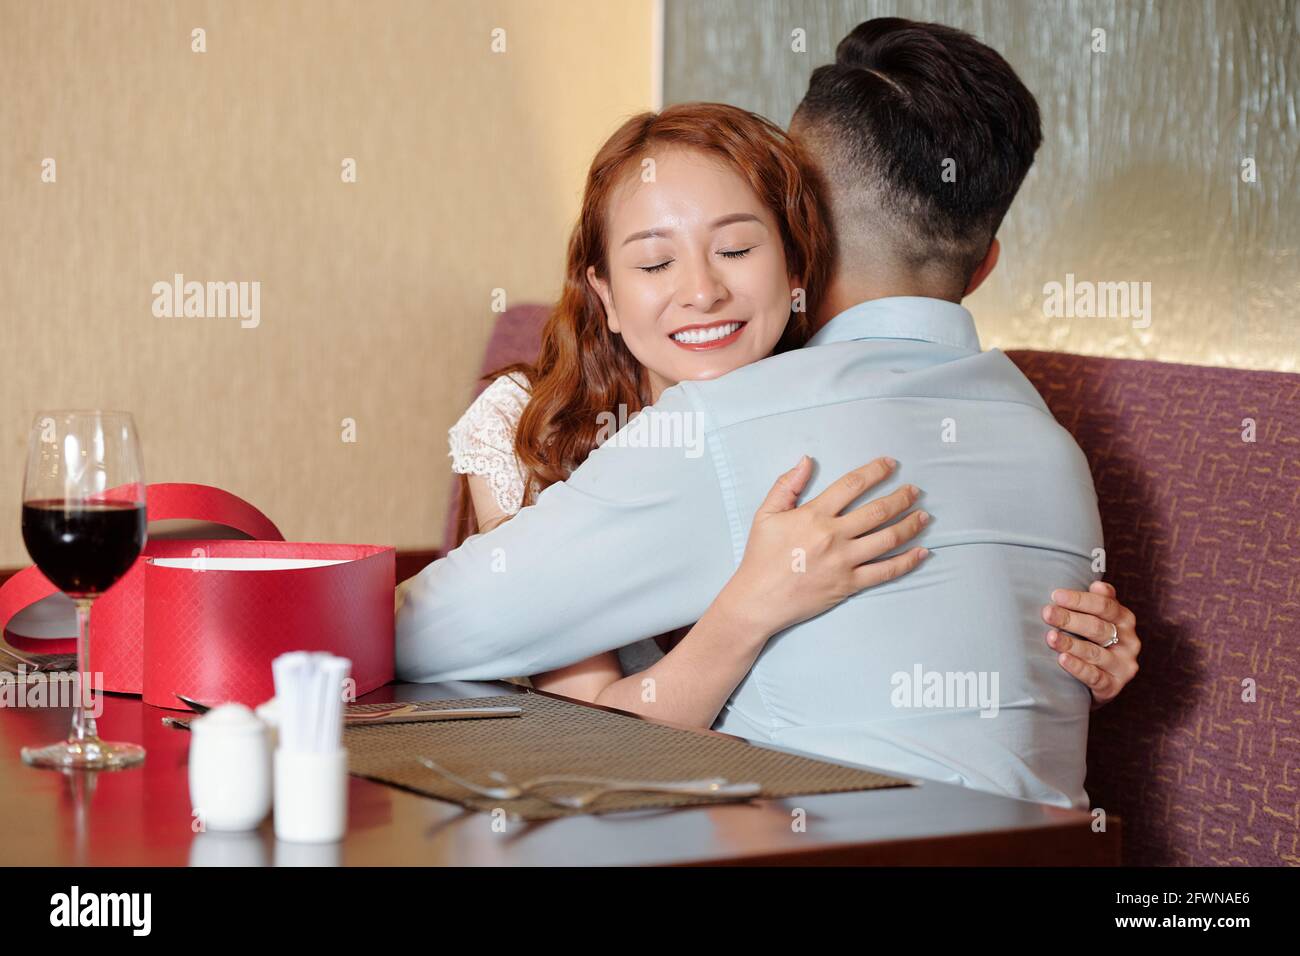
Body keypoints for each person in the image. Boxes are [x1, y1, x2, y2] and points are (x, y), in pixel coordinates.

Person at [398, 18, 1143, 809]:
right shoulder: (1053, 447)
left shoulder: (739, 421)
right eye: (655, 261)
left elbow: (418, 634)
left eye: (737, 245)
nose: (702, 290)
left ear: (799, 240)